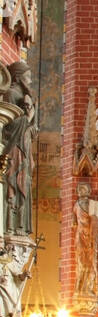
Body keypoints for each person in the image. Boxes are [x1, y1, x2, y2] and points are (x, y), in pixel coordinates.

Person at [2, 62, 37, 234]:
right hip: (14, 147)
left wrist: (31, 117)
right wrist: (28, 117)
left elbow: (32, 128)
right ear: (17, 77)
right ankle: (10, 225)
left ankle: (20, 225)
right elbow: (9, 126)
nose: (29, 82)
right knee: (13, 182)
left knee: (24, 182)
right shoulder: (10, 93)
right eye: (28, 77)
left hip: (24, 145)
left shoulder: (24, 96)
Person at [74, 181, 98, 300]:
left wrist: (92, 237)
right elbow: (73, 223)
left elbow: (95, 223)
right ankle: (80, 288)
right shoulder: (76, 205)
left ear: (89, 191)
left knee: (90, 262)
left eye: (84, 189)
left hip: (89, 236)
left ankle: (88, 287)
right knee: (81, 261)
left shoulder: (92, 204)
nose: (81, 191)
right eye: (80, 189)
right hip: (80, 235)